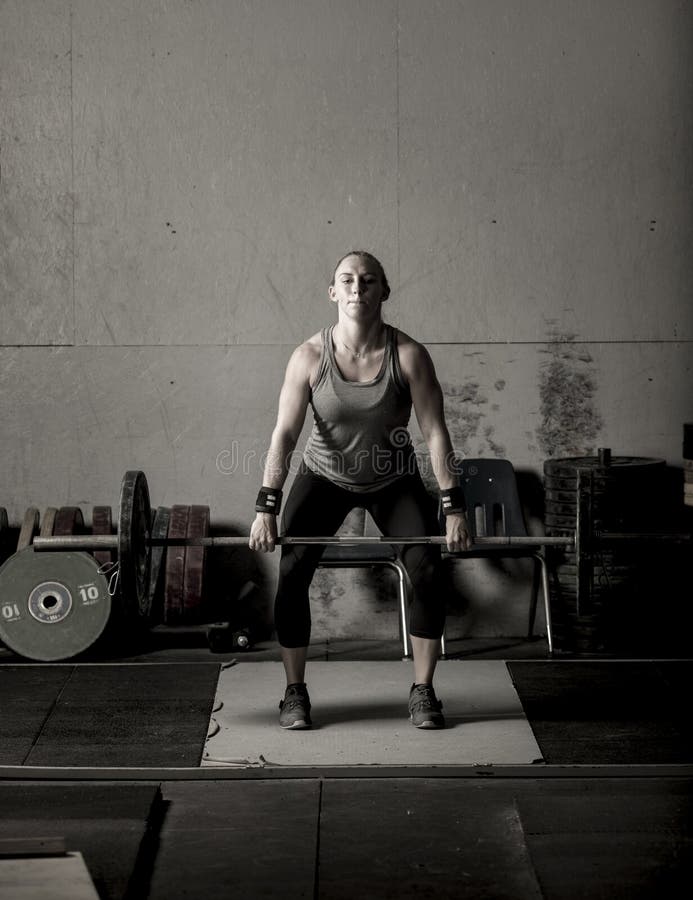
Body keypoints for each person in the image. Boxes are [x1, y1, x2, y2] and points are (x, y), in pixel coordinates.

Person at [249, 250, 470, 730]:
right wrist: (266, 505)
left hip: (393, 480)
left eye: (368, 281)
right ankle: (294, 692)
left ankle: (424, 690)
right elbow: (284, 435)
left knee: (427, 569)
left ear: (383, 292)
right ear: (332, 292)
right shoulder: (309, 356)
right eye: (347, 280)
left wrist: (454, 508)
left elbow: (436, 433)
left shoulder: (408, 355)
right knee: (292, 572)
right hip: (323, 476)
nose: (357, 288)